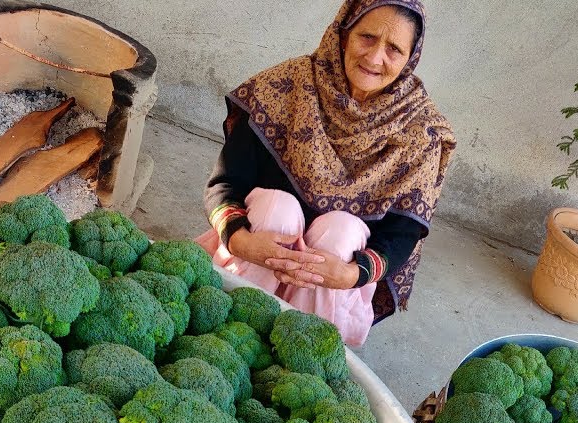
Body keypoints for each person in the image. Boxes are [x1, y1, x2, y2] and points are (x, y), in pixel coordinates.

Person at [195, 0, 455, 347]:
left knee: (341, 232)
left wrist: (352, 273)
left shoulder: (420, 131)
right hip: (256, 246)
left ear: (410, 58)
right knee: (278, 209)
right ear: (344, 33)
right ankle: (221, 332)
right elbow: (226, 182)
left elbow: (403, 233)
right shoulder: (287, 86)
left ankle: (303, 349)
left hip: (334, 276)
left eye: (394, 49)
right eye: (367, 37)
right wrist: (241, 240)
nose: (376, 58)